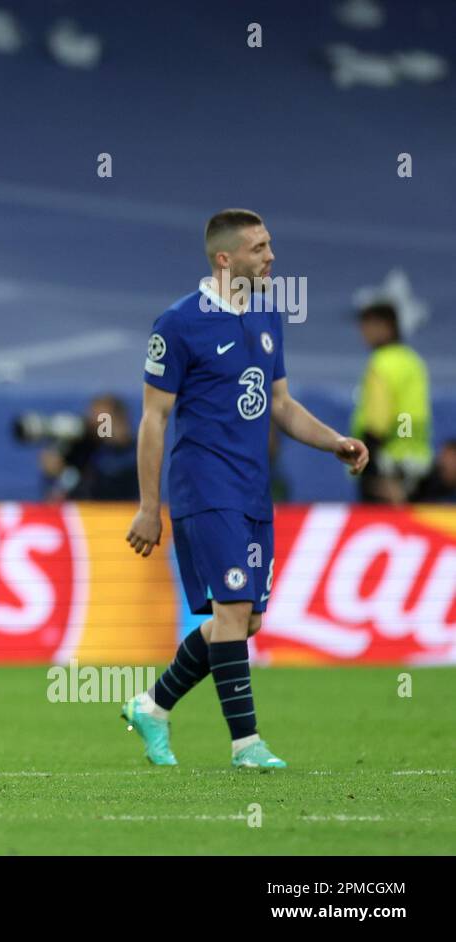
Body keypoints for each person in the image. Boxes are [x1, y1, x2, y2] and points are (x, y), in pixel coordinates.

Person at [124, 208, 369, 770]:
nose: (272, 257)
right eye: (260, 248)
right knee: (234, 610)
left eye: (270, 245)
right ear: (225, 258)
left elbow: (280, 404)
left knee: (245, 620)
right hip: (204, 487)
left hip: (253, 490)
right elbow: (153, 420)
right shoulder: (177, 325)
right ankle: (247, 745)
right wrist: (148, 506)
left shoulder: (266, 317)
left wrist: (334, 441)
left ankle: (153, 705)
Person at [350, 302, 432, 504]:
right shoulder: (413, 362)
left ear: (385, 326)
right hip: (418, 466)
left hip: (386, 467)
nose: (363, 333)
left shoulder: (382, 363)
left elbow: (378, 420)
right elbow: (409, 416)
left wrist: (369, 462)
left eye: (367, 326)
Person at [38, 394, 138, 501]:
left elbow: (103, 485)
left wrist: (63, 473)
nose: (93, 425)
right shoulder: (87, 450)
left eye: (101, 420)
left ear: (119, 421)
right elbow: (55, 498)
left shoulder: (134, 454)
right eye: (91, 419)